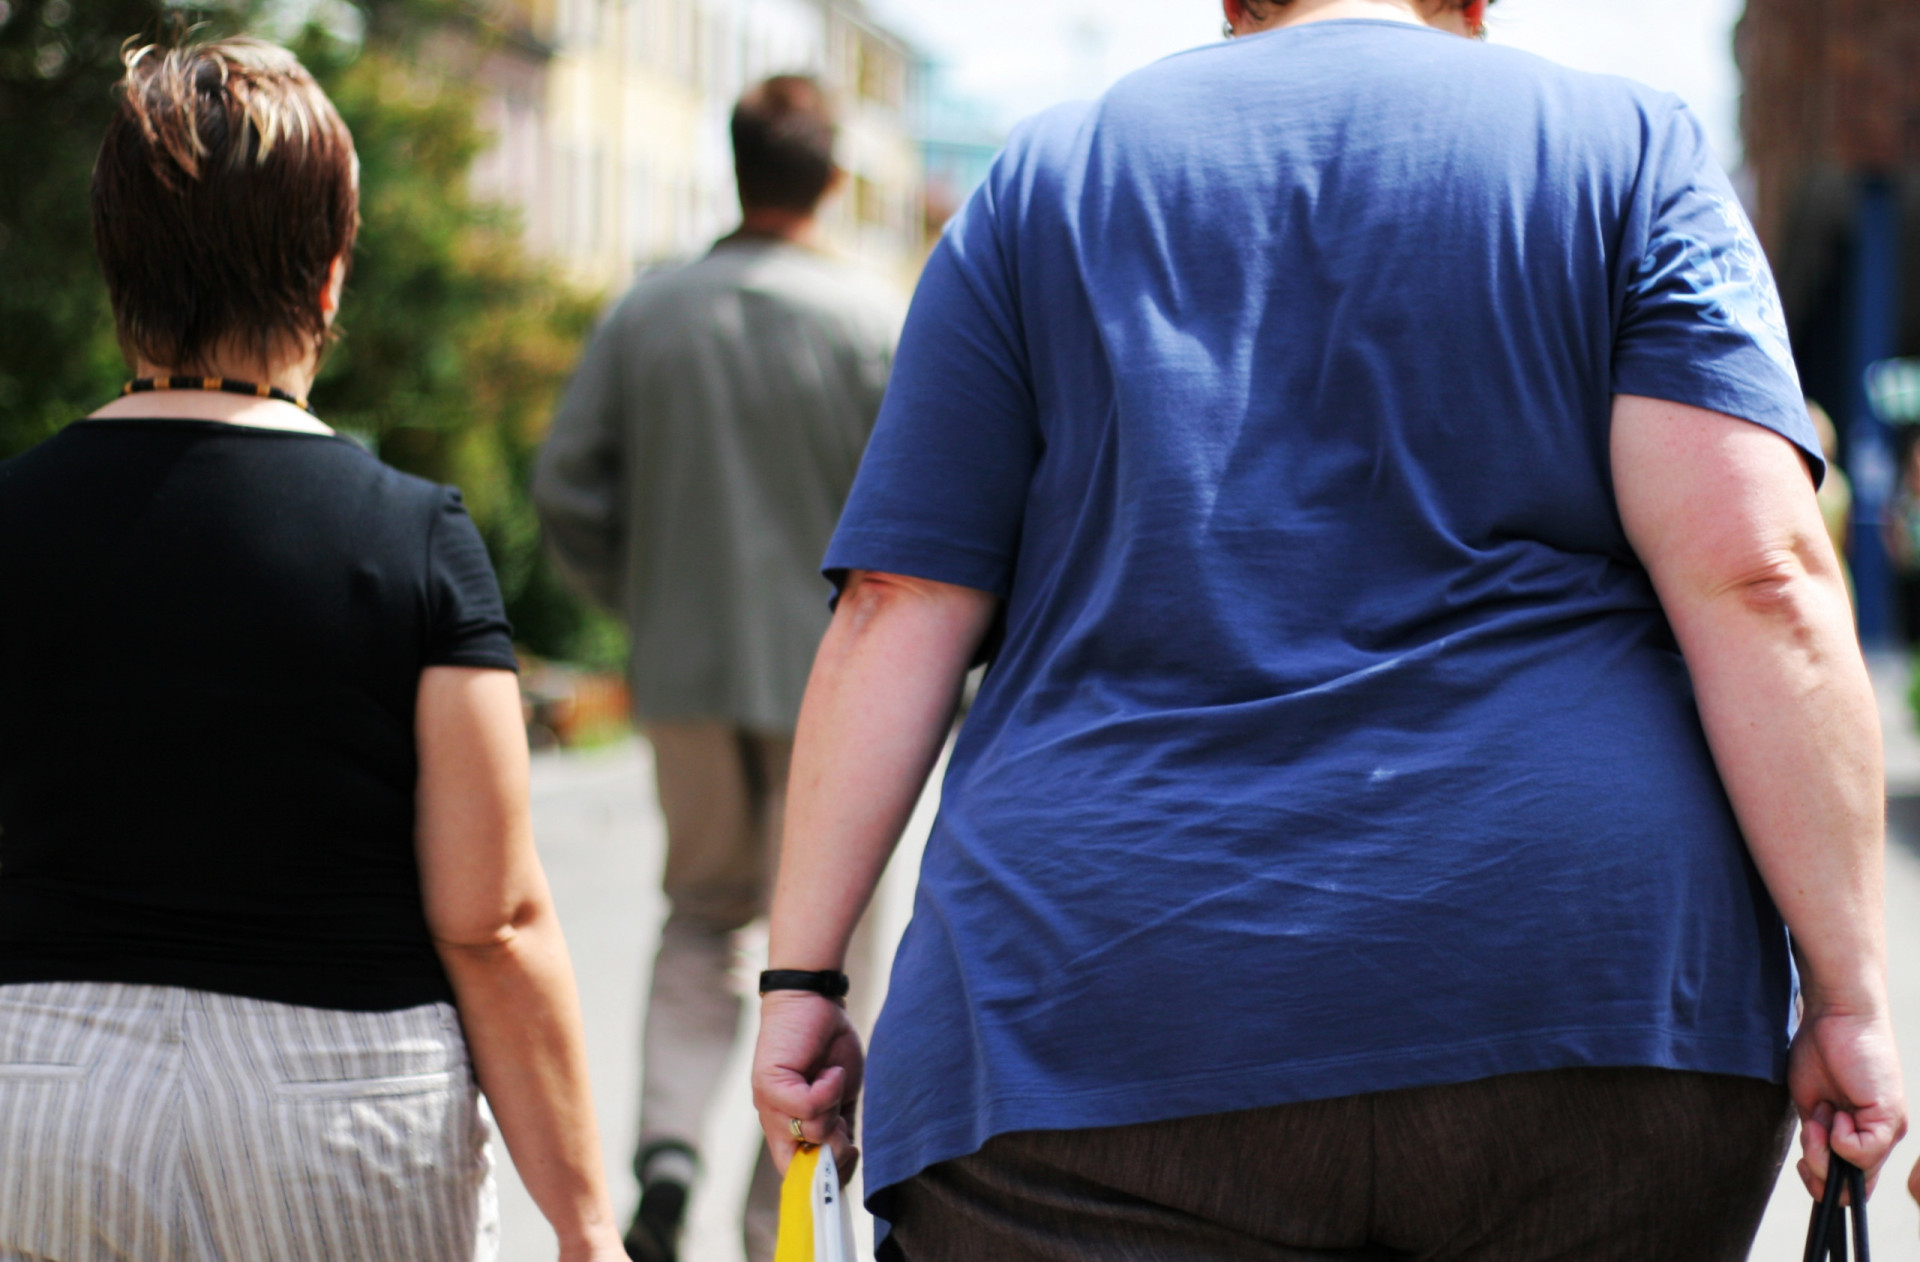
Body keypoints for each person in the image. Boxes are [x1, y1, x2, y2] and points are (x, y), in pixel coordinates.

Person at [751, 0, 1909, 1258]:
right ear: (1471, 7)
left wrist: (801, 978)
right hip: (1590, 1004)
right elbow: (1759, 576)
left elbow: (897, 599)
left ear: (1235, 7)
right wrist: (1848, 991)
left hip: (1089, 1021)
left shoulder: (1047, 181)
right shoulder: (1629, 151)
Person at [0, 38, 625, 1262]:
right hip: (339, 1103)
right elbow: (493, 918)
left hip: (42, 1088)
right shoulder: (414, 539)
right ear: (330, 274)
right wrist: (587, 1224)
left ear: (113, 262)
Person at [533, 75, 903, 1262]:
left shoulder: (649, 312)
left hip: (687, 671)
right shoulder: (877, 322)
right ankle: (773, 1220)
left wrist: (640, 602)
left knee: (699, 916)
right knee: (829, 965)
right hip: (844, 695)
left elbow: (566, 487)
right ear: (831, 177)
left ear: (735, 165)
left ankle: (664, 1151)